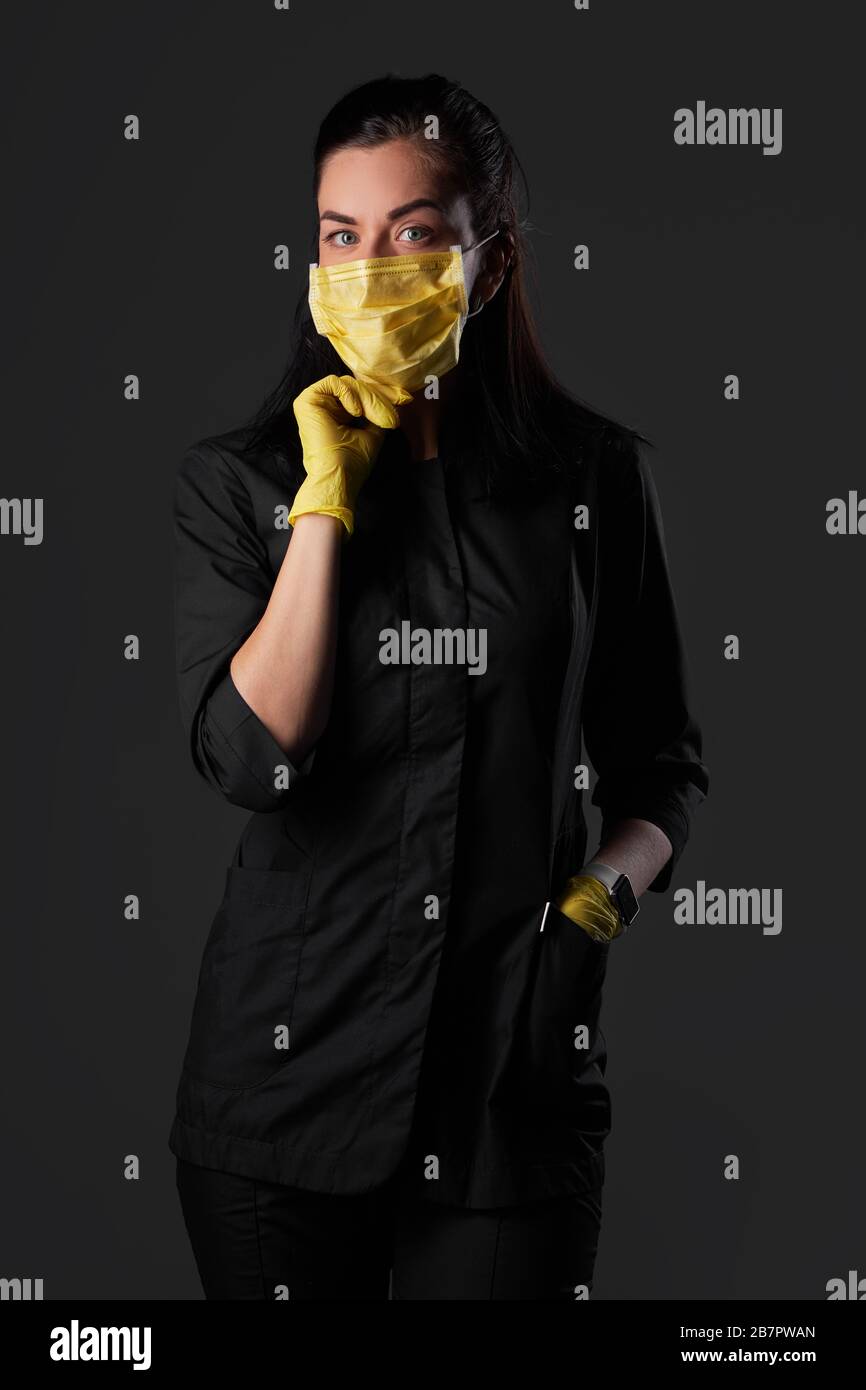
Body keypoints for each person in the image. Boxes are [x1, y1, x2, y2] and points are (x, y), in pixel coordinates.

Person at [168, 72, 709, 1301]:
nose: (368, 268)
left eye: (413, 235)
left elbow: (660, 772)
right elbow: (258, 757)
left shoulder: (594, 482)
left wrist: (588, 918)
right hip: (281, 1099)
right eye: (337, 237)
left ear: (493, 257)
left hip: (507, 1094)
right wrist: (322, 505)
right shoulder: (234, 487)